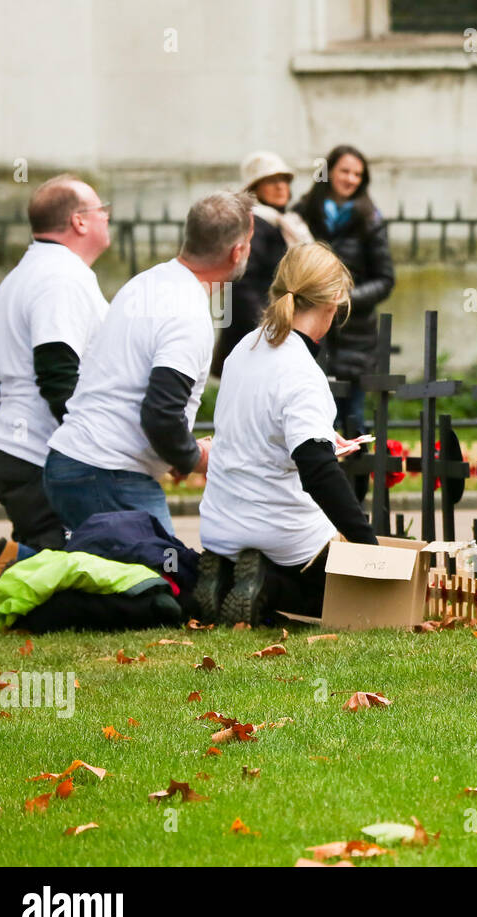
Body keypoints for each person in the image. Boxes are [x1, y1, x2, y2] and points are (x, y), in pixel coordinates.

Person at [43, 191, 254, 535]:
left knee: (96, 580)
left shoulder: (147, 282)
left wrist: (178, 452)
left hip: (76, 463)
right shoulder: (189, 314)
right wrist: (196, 458)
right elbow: (160, 416)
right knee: (161, 579)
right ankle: (0, 572)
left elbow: (132, 387)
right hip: (110, 473)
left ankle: (7, 566)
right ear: (237, 252)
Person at [196, 242, 377, 626]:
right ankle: (268, 585)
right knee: (347, 599)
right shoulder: (302, 371)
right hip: (285, 537)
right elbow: (318, 473)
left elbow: (259, 431)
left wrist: (323, 439)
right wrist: (368, 547)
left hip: (221, 527)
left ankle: (228, 577)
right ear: (335, 301)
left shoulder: (245, 347)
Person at [0, 174, 111, 552]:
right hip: (39, 459)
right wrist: (91, 448)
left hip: (17, 452)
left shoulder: (27, 272)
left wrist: (3, 408)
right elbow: (57, 371)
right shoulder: (60, 279)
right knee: (55, 572)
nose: (107, 217)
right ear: (79, 221)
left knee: (41, 565)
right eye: (102, 210)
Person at [292, 145, 395, 442]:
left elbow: (385, 280)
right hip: (309, 330)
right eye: (345, 171)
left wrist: (346, 299)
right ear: (329, 172)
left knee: (352, 420)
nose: (351, 179)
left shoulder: (369, 219)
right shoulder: (303, 213)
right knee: (311, 418)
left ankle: (354, 486)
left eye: (357, 174)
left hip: (355, 336)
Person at [211, 151, 313, 377]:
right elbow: (241, 285)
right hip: (258, 339)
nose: (280, 187)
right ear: (254, 188)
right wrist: (267, 330)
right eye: (271, 181)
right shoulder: (253, 225)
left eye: (284, 180)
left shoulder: (286, 224)